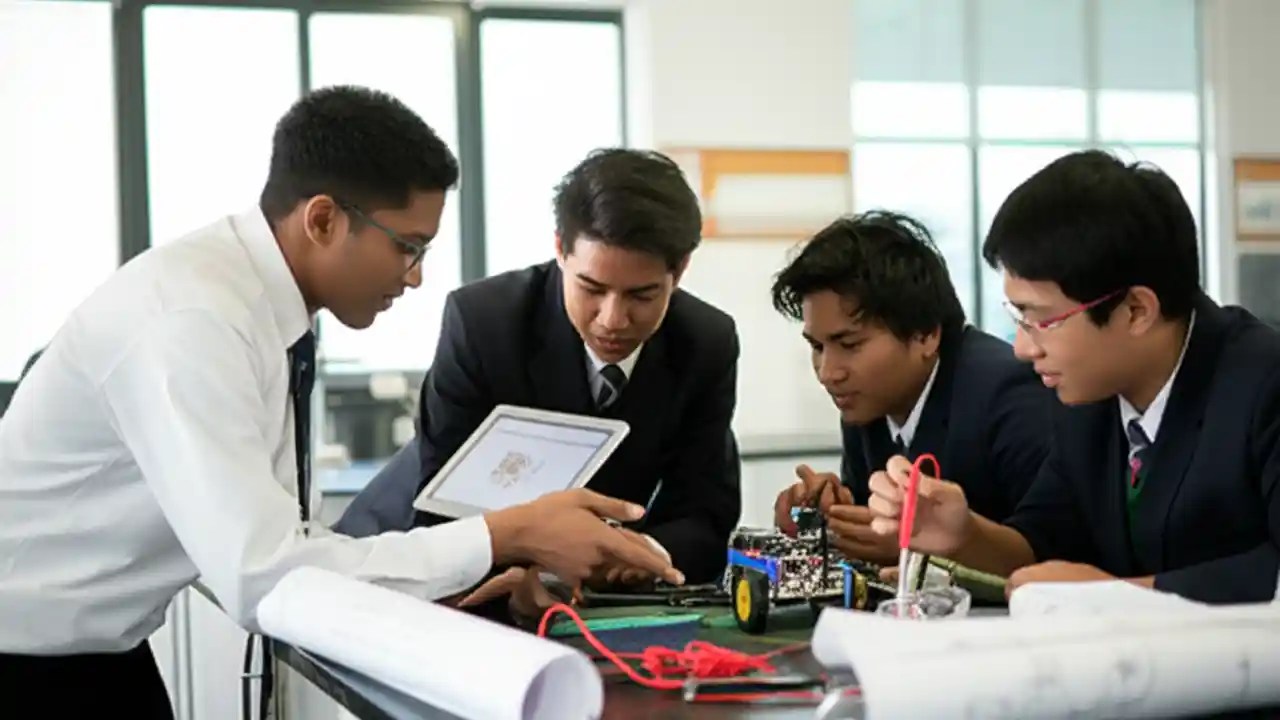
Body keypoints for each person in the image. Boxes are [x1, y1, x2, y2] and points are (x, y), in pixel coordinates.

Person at [0, 86, 678, 717]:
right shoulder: (194, 321)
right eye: (407, 247)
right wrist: (508, 533)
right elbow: (265, 577)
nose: (415, 276)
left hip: (96, 648)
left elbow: (282, 544)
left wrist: (480, 558)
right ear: (323, 219)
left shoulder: (262, 311)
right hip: (30, 657)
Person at [867, 150, 1280, 604]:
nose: (1023, 349)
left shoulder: (1263, 381)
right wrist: (962, 533)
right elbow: (1043, 542)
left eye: (1040, 320)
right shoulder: (1091, 395)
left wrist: (1117, 595)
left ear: (1136, 310)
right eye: (1017, 317)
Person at [413, 148, 742, 598]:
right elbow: (439, 514)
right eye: (592, 288)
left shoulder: (705, 341)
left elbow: (707, 512)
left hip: (608, 603)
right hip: (467, 586)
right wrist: (532, 573)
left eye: (641, 296)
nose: (612, 319)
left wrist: (639, 553)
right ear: (560, 251)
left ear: (679, 270)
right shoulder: (484, 324)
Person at [768, 211, 1051, 565]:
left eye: (850, 344)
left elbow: (1048, 553)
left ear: (925, 334)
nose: (828, 373)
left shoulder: (1009, 394)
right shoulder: (867, 400)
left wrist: (918, 550)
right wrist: (836, 512)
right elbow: (879, 528)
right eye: (817, 346)